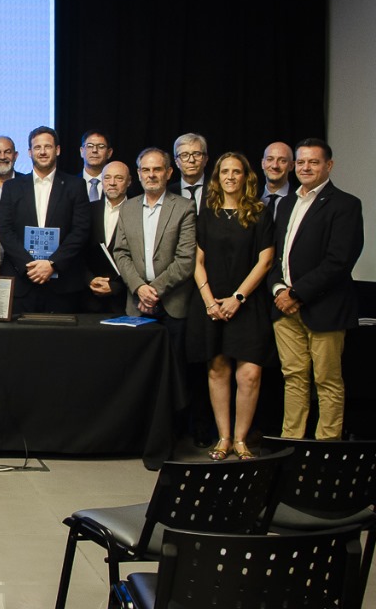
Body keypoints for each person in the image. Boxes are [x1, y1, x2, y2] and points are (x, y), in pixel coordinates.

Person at [268, 138, 364, 441]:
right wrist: (278, 290)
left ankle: (327, 451)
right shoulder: (286, 203)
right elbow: (277, 255)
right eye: (300, 162)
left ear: (329, 166)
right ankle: (291, 446)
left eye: (313, 162)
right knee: (294, 379)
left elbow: (339, 261)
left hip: (325, 308)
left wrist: (296, 294)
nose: (305, 167)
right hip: (284, 309)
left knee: (327, 381)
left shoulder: (346, 204)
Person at [188, 152, 275, 461]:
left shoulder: (260, 213)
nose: (230, 176)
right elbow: (196, 260)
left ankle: (241, 440)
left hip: (247, 303)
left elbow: (265, 261)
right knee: (218, 369)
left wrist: (238, 298)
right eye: (224, 171)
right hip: (211, 303)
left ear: (245, 177)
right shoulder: (206, 213)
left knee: (249, 373)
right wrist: (209, 299)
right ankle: (223, 438)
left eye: (236, 171)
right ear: (217, 177)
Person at [112, 147, 197, 367]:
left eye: (157, 169)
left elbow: (186, 260)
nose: (151, 174)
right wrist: (140, 288)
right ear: (138, 174)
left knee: (175, 372)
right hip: (136, 305)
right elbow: (120, 253)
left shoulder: (185, 208)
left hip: (173, 305)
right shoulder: (127, 208)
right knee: (137, 372)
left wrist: (154, 290)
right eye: (145, 169)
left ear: (169, 173)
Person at [0, 127, 90, 313]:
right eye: (37, 147)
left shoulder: (75, 185)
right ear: (30, 152)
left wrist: (52, 264)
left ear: (58, 150)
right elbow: (5, 229)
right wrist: (29, 266)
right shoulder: (12, 187)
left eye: (48, 146)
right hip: (22, 282)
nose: (43, 151)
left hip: (62, 284)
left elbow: (81, 230)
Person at [83, 160, 131, 313]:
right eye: (107, 178)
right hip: (89, 300)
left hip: (125, 300)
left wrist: (117, 287)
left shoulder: (137, 211)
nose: (112, 183)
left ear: (129, 181)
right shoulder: (88, 210)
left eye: (119, 178)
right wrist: (89, 279)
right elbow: (78, 251)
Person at [169, 132, 209, 207]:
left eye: (197, 154)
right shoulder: (168, 193)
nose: (191, 160)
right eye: (184, 155)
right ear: (176, 162)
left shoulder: (217, 190)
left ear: (206, 159)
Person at [260, 141, 293, 221]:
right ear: (262, 164)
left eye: (282, 161)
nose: (275, 165)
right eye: (270, 159)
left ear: (291, 166)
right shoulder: (251, 199)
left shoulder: (300, 200)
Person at [79, 130, 114, 201]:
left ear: (109, 153)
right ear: (82, 151)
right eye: (89, 146)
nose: (94, 150)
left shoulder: (117, 185)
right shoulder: (69, 185)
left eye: (101, 146)